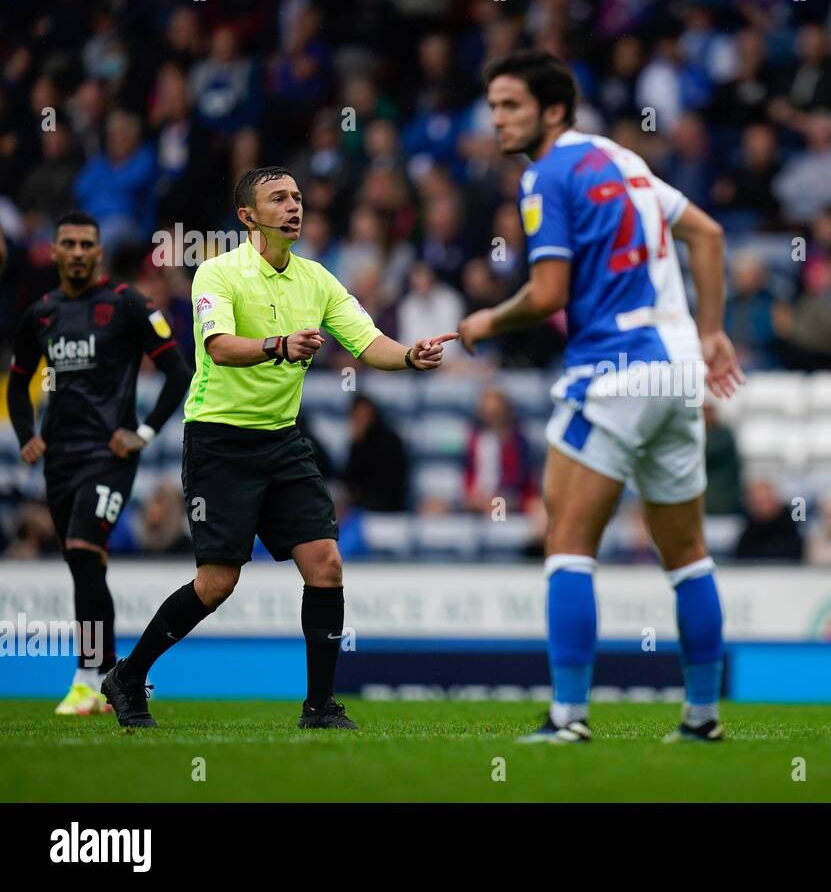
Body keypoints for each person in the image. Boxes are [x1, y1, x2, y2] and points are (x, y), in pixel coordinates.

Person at [100, 166, 456, 730]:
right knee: (218, 582)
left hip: (282, 439)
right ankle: (127, 674)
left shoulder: (317, 278)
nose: (294, 205)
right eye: (278, 198)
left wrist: (412, 355)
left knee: (326, 565)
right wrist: (280, 344)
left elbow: (369, 343)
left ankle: (318, 708)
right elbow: (219, 348)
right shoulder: (217, 273)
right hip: (220, 439)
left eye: (296, 196)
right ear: (248, 217)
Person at [457, 50, 744, 743]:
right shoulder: (624, 160)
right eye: (493, 106)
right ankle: (701, 718)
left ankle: (568, 716)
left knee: (568, 546)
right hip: (678, 376)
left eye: (512, 106)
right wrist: (709, 332)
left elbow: (549, 294)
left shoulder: (543, 176)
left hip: (615, 372)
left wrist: (486, 321)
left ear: (553, 111)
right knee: (688, 555)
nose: (498, 119)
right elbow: (708, 231)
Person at [7, 211, 190, 715]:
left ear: (99, 251)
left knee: (86, 551)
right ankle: (109, 674)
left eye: (88, 243)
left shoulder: (129, 304)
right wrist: (27, 436)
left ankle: (89, 678)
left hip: (110, 457)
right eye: (69, 243)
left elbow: (178, 372)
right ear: (56, 251)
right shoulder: (40, 313)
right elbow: (18, 381)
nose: (80, 252)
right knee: (83, 566)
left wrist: (145, 433)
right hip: (59, 461)